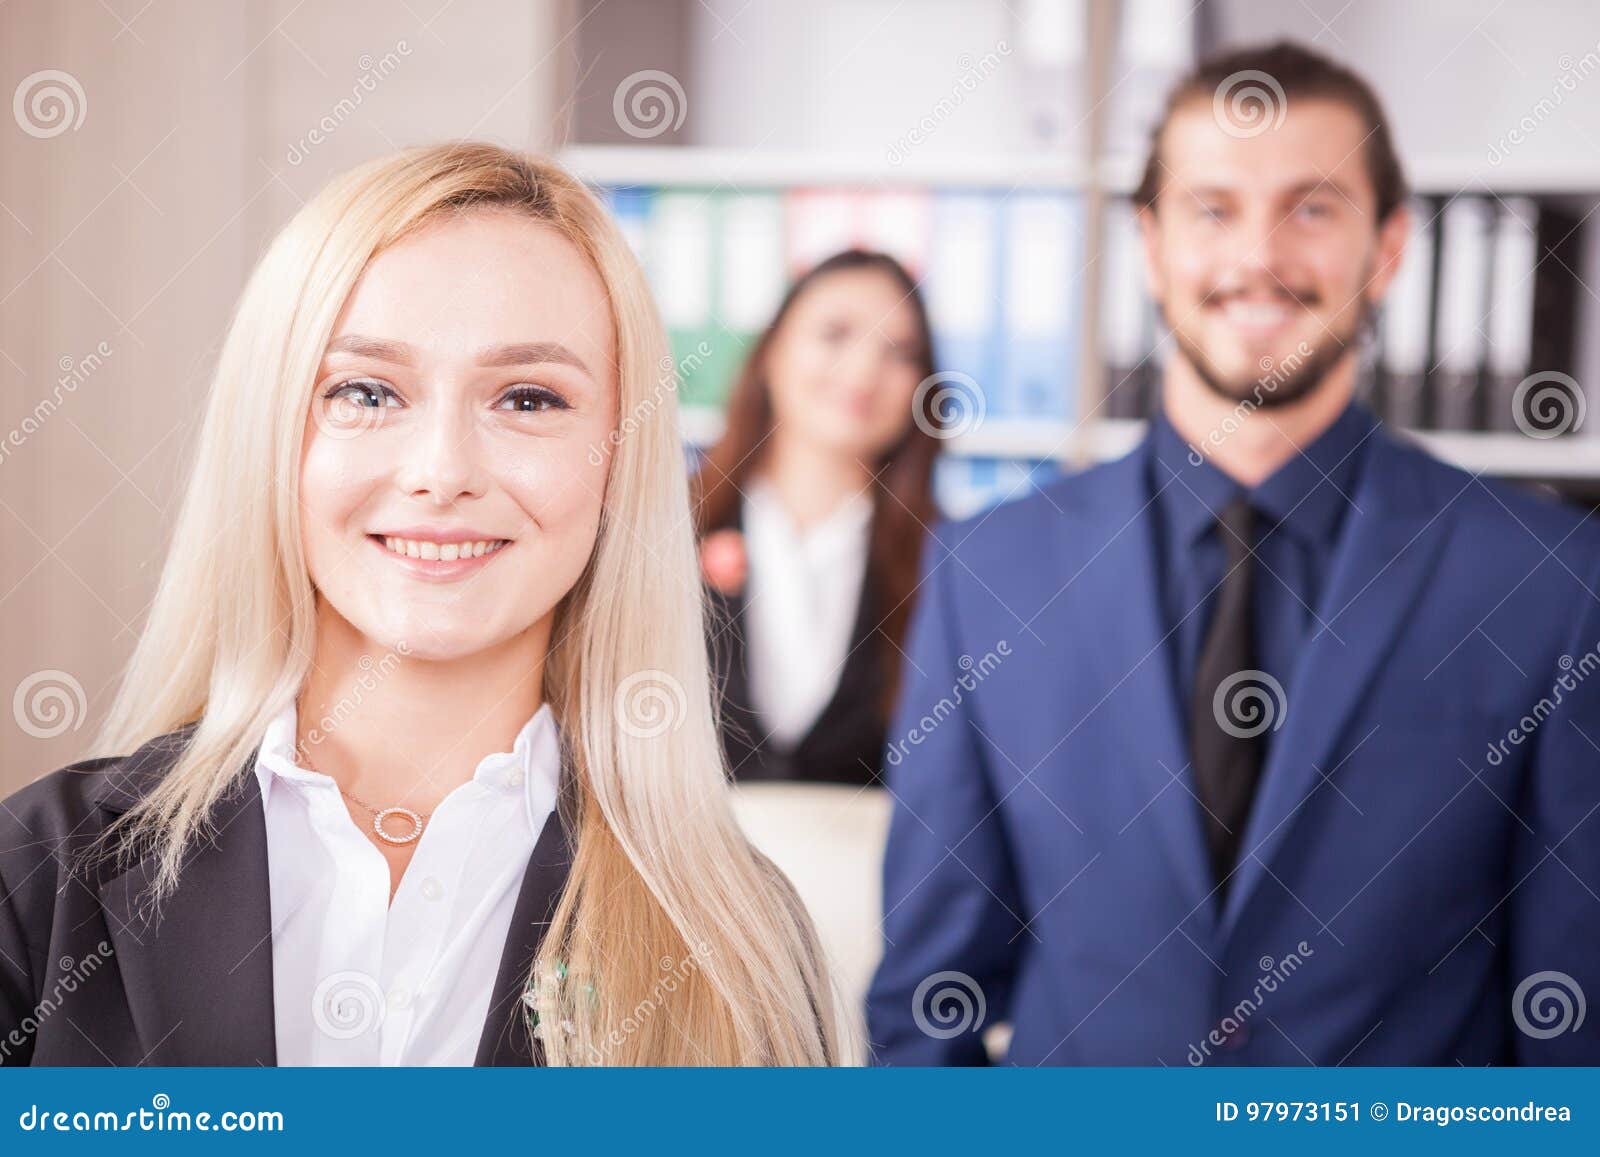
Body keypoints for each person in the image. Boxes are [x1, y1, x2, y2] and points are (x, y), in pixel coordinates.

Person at [0, 143, 839, 1067]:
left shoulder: (740, 938)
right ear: (273, 438)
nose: (442, 471)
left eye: (527, 398)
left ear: (618, 462)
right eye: (366, 390)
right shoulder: (36, 871)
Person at [867, 41, 1600, 1066]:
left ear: (1386, 247)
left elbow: (1574, 1023)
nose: (1257, 255)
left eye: (1311, 207)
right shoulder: (990, 572)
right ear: (1152, 243)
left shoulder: (1548, 579)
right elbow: (925, 1005)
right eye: (1213, 208)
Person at [696, 249, 942, 789]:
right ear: (771, 352)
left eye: (900, 352)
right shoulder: (666, 532)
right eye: (835, 333)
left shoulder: (947, 564)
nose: (863, 371)